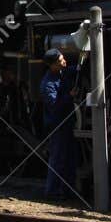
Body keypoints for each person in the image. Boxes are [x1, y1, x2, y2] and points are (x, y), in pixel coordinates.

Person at [41, 47, 79, 200]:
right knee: (58, 157)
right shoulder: (48, 84)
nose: (64, 61)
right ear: (52, 65)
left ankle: (67, 190)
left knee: (70, 157)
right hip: (57, 124)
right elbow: (55, 104)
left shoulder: (62, 72)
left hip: (67, 122)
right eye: (60, 61)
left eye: (63, 58)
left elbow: (72, 70)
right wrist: (69, 96)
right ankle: (52, 192)